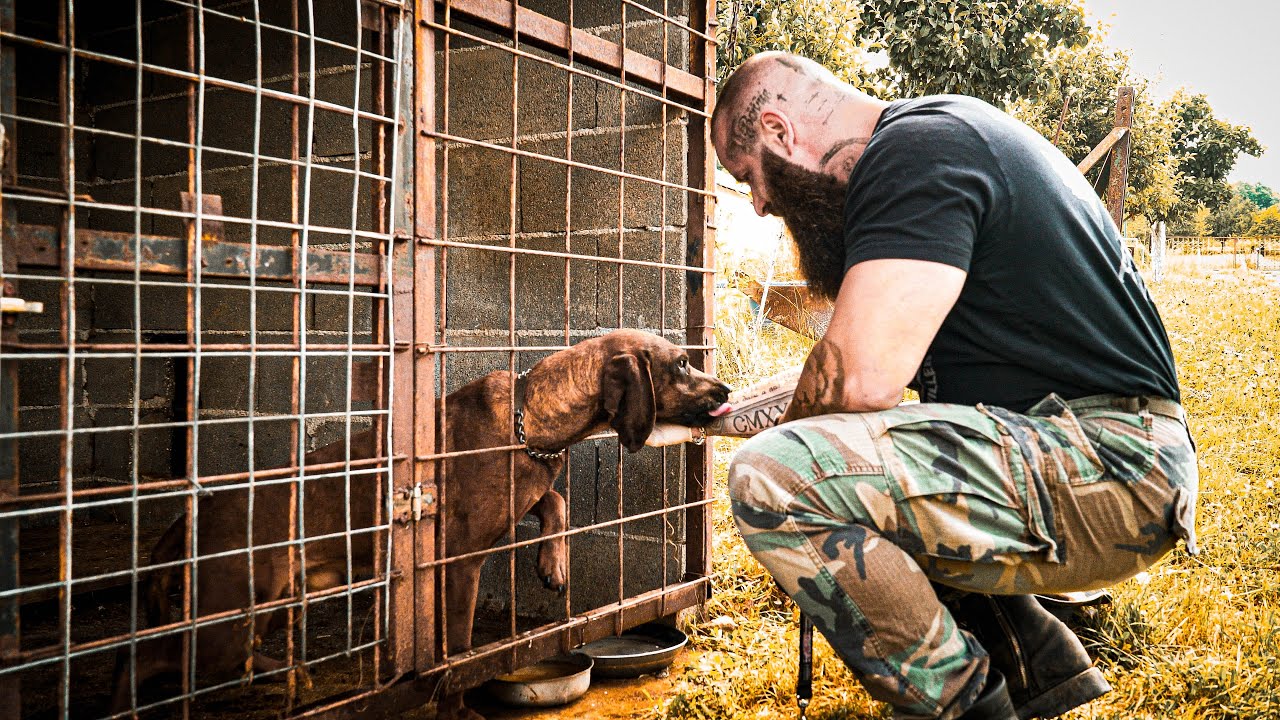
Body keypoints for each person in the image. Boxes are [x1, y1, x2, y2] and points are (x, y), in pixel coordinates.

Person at [711, 52, 1199, 720]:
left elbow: (855, 380)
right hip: (1100, 454)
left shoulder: (914, 154)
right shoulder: (928, 147)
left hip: (1111, 462)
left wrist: (778, 439)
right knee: (862, 463)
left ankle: (966, 706)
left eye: (749, 179)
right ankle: (1030, 658)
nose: (761, 206)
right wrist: (716, 412)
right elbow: (842, 375)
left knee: (772, 478)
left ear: (778, 128)